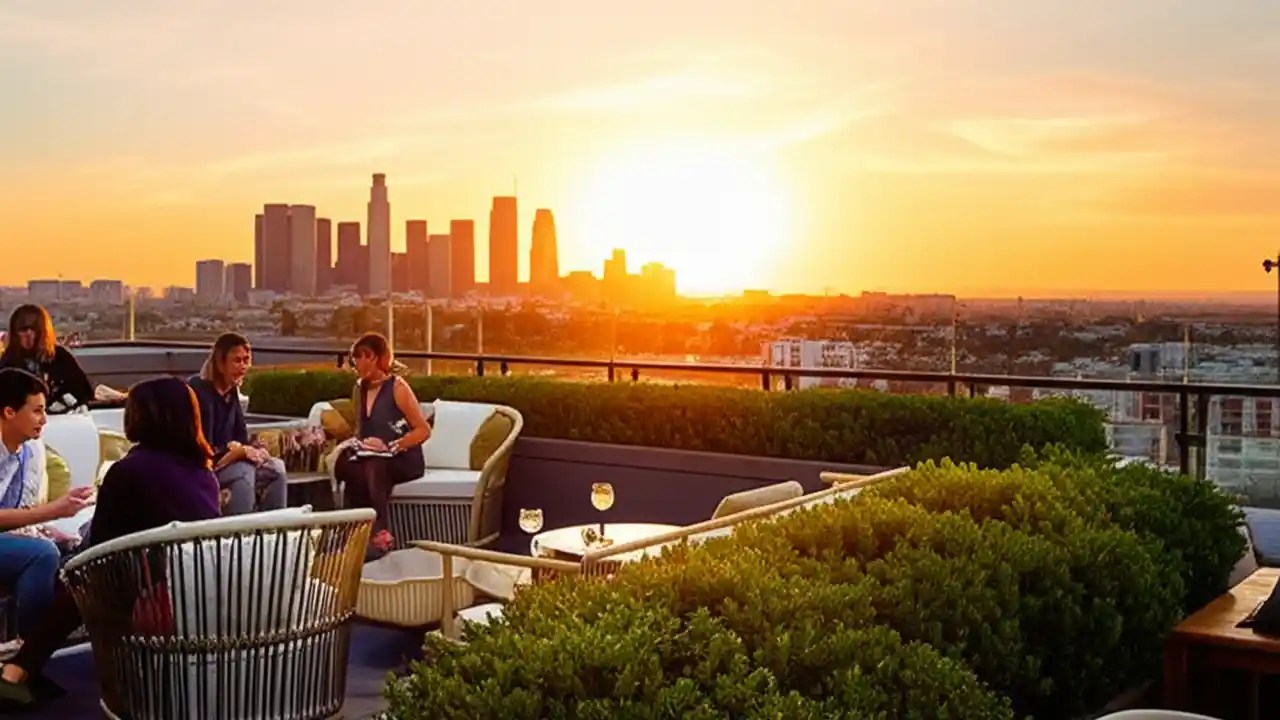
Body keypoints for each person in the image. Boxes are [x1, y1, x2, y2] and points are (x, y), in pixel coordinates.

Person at [0, 376, 222, 707]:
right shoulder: (205, 476)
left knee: (80, 580)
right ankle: (21, 665)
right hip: (203, 593)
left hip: (155, 599)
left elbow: (99, 555)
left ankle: (19, 667)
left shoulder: (130, 471)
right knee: (77, 569)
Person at [0, 369, 96, 660]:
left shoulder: (32, 448)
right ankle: (31, 649)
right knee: (41, 554)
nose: (44, 419)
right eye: (37, 411)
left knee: (78, 549)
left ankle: (66, 639)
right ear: (8, 412)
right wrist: (54, 510)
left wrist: (45, 525)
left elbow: (24, 508)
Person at [333, 332, 430, 557]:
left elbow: (423, 430)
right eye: (356, 357)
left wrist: (391, 446)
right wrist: (362, 443)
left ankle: (380, 534)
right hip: (372, 456)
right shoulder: (360, 388)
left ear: (376, 358)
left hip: (404, 458)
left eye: (362, 357)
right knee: (348, 464)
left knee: (375, 466)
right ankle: (353, 530)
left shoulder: (398, 387)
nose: (357, 362)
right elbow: (361, 428)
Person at [187, 332, 287, 515]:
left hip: (227, 460)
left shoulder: (231, 391)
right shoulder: (200, 391)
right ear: (220, 363)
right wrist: (238, 452)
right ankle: (239, 535)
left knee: (276, 469)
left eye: (246, 360)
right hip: (200, 469)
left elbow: (241, 438)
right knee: (243, 473)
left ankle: (271, 532)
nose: (243, 367)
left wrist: (255, 450)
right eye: (237, 361)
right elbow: (203, 452)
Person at [0, 306, 94, 413]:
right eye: (23, 329)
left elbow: (84, 393)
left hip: (64, 420)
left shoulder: (60, 357)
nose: (28, 334)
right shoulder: (9, 364)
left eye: (34, 329)